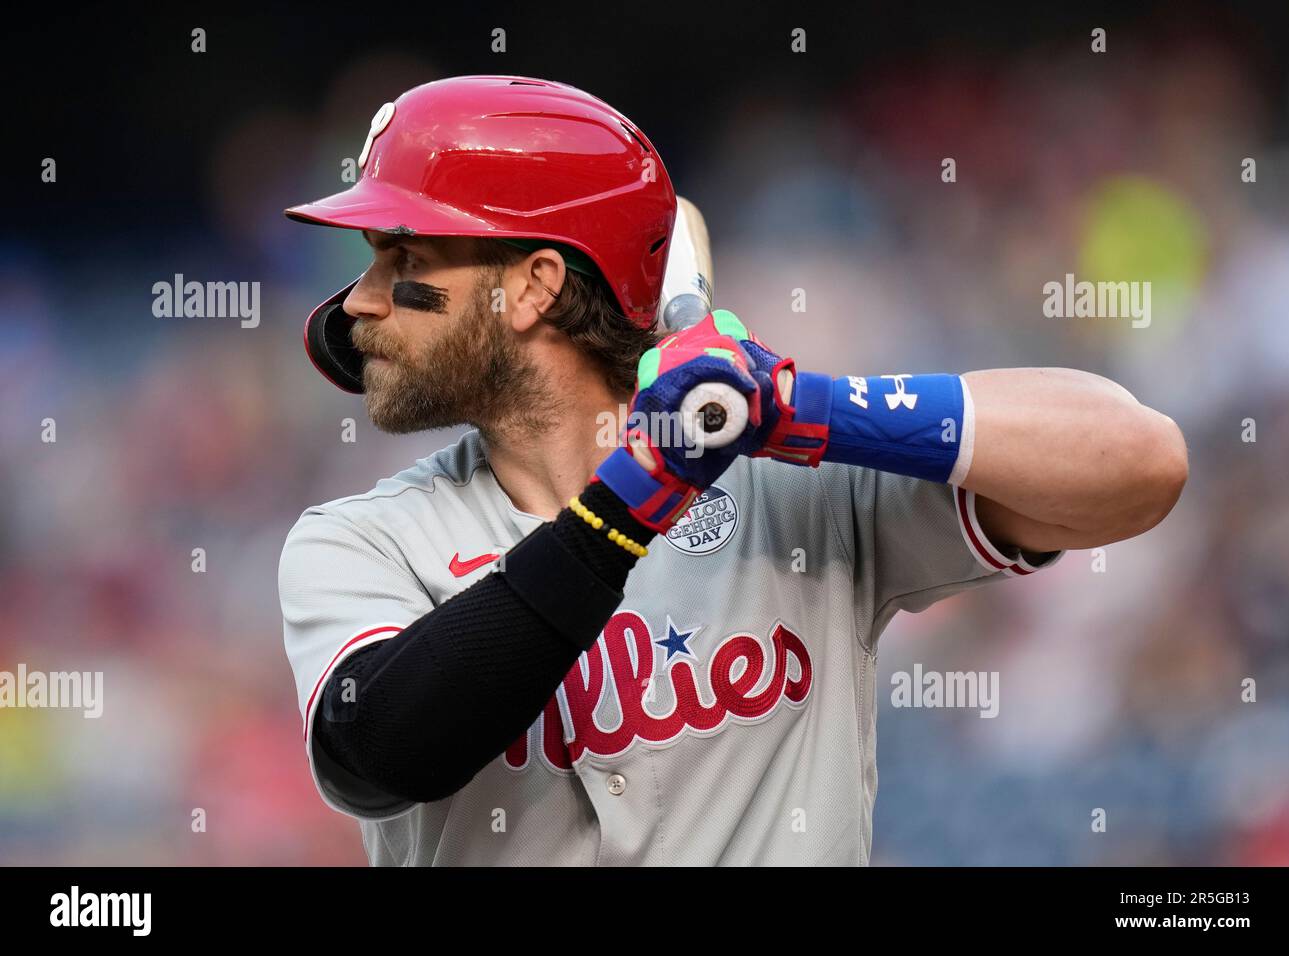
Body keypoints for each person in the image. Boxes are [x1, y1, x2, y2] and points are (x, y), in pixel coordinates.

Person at [279, 75, 1187, 865]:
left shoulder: (788, 481)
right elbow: (378, 755)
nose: (357, 300)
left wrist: (799, 408)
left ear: (535, 285)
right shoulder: (361, 541)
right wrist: (636, 494)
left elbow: (1141, 461)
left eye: (404, 258)